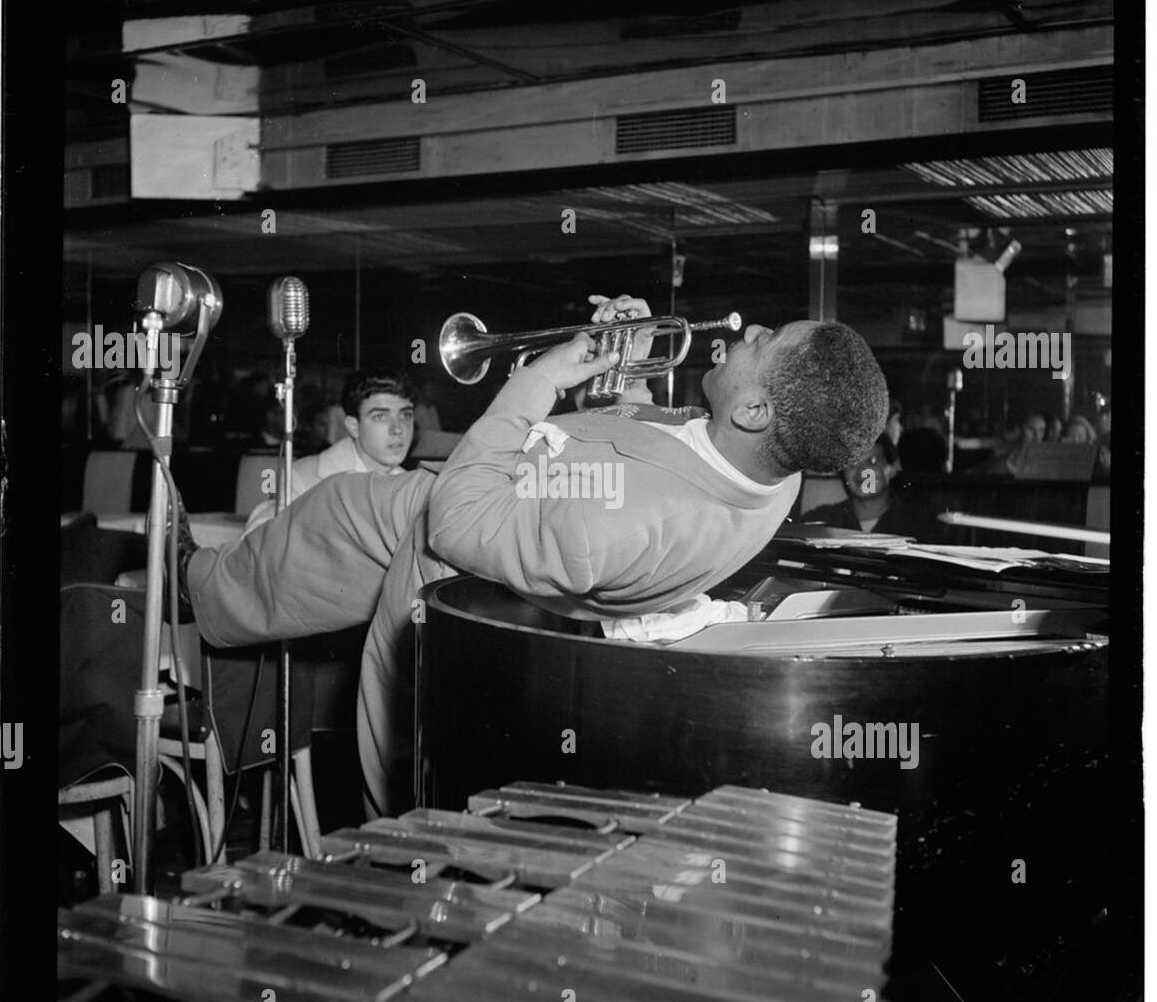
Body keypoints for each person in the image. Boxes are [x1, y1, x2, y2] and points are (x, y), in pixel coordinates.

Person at [181, 302, 889, 816]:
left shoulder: (614, 525)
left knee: (385, 752)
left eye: (766, 342)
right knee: (328, 513)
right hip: (514, 502)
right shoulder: (773, 470)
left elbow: (457, 522)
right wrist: (624, 372)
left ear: (759, 412)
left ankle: (190, 583)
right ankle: (210, 586)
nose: (752, 328)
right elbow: (650, 452)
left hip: (460, 550)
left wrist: (540, 380)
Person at [244, 369, 417, 533]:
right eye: (380, 416)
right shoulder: (304, 478)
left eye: (405, 415)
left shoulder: (412, 487)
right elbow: (258, 547)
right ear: (353, 426)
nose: (398, 429)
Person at [798, 433, 940, 540]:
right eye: (853, 462)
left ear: (892, 469)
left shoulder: (917, 524)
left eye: (872, 461)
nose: (863, 472)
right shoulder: (821, 521)